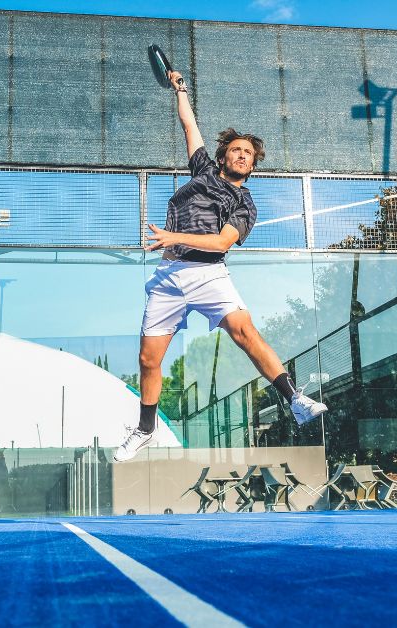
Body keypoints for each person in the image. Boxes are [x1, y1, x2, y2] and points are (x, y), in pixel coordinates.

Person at [113, 70, 328, 463]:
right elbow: (189, 124)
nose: (243, 155)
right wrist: (179, 89)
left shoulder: (246, 205)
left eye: (249, 153)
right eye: (237, 150)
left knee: (245, 332)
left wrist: (174, 236)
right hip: (168, 277)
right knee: (148, 360)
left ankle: (295, 399)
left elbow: (220, 243)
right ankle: (145, 429)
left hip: (209, 273)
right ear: (224, 156)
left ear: (252, 165)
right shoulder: (203, 172)